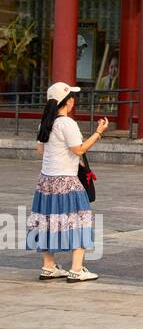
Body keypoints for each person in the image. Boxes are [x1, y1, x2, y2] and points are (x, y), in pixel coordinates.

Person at [29, 83, 105, 282]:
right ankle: (76, 269)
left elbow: (40, 150)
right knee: (79, 219)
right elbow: (78, 150)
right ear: (68, 101)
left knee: (48, 221)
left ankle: (48, 266)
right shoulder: (67, 123)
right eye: (72, 97)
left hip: (46, 181)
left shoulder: (45, 122)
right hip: (67, 181)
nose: (74, 100)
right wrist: (98, 133)